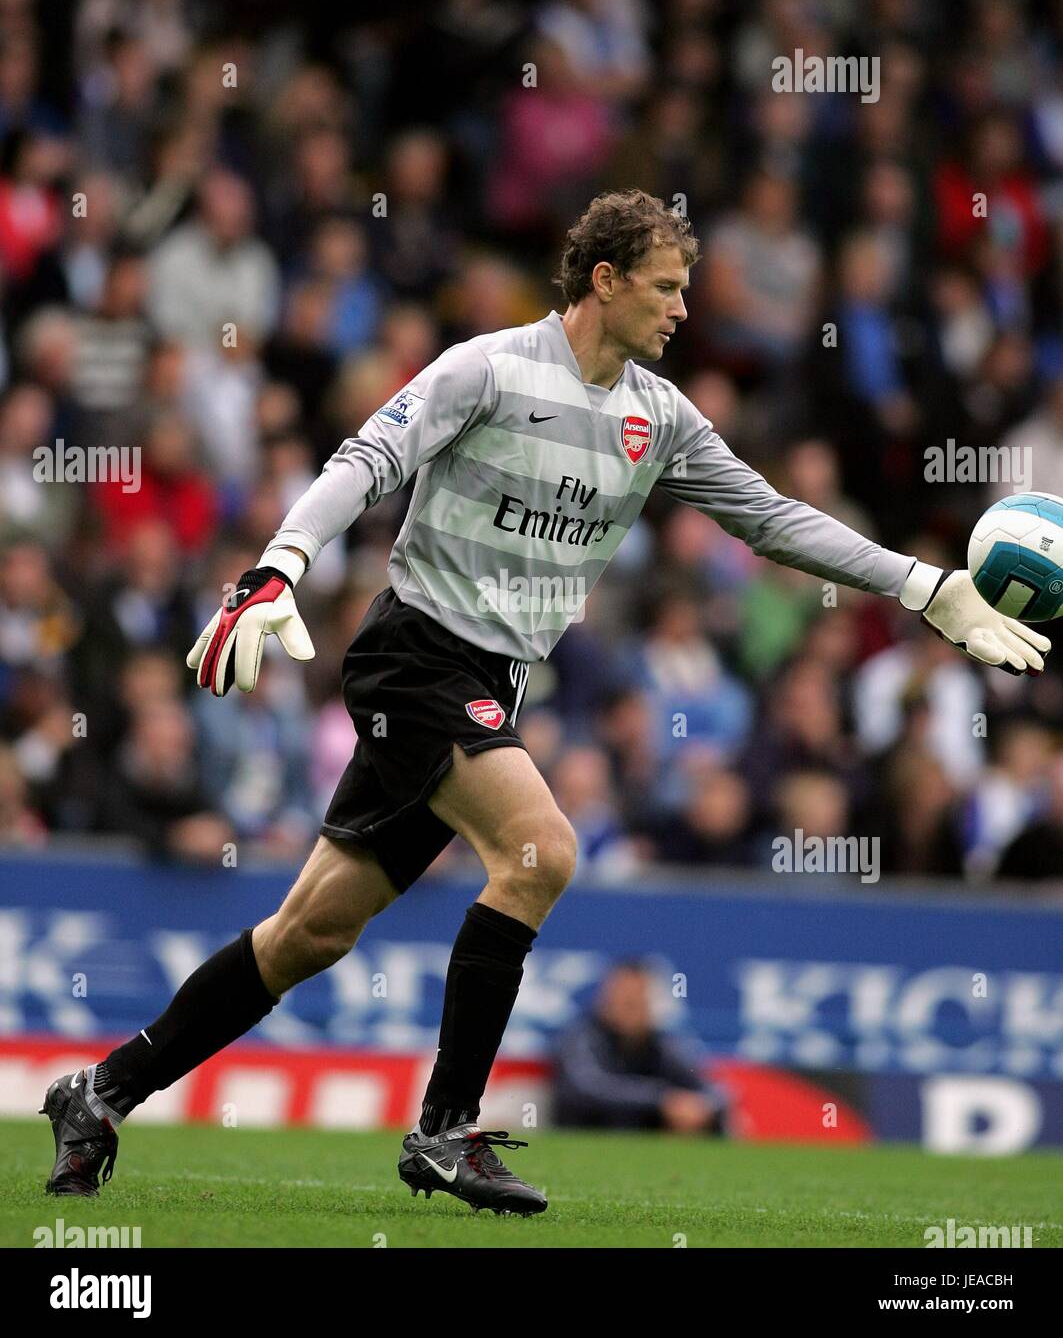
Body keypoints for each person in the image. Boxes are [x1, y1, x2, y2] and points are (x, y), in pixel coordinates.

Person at [41, 190, 1051, 1215]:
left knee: (309, 932)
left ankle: (102, 1090)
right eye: (663, 288)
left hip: (485, 682)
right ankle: (443, 1130)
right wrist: (278, 568)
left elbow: (772, 518)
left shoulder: (657, 416)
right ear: (602, 282)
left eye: (685, 291)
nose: (680, 311)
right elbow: (366, 458)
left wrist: (928, 588)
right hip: (414, 656)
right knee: (542, 850)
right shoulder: (487, 367)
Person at [553, 960, 730, 1133]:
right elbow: (587, 1088)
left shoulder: (663, 1045)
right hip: (585, 1141)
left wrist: (697, 1107)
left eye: (636, 1001)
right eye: (621, 998)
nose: (626, 1006)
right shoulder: (580, 1036)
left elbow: (714, 1091)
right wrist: (662, 1099)